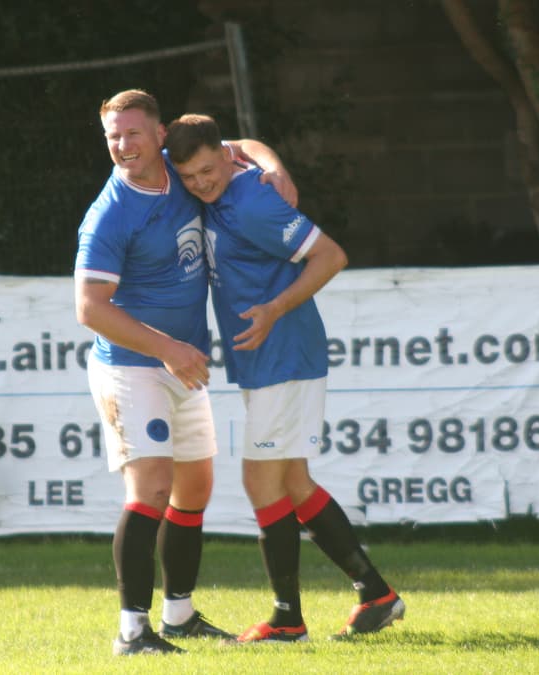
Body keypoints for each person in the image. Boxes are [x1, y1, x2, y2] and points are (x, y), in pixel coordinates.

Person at [165, 113, 405, 643]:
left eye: (209, 170)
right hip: (264, 360)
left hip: (285, 356)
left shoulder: (253, 201)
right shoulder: (213, 175)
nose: (202, 182)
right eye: (190, 176)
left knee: (261, 481)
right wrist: (272, 158)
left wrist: (274, 308)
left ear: (223, 158)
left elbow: (331, 256)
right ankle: (376, 594)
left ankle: (288, 619)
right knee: (293, 482)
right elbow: (244, 141)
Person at [74, 89, 297, 656]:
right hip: (132, 367)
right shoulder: (110, 214)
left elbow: (242, 145)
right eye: (112, 137)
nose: (122, 146)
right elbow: (91, 309)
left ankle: (180, 615)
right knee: (150, 487)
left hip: (182, 365)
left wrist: (274, 170)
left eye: (132, 134)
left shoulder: (179, 168)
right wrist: (169, 348)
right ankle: (131, 631)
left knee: (194, 488)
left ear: (159, 135)